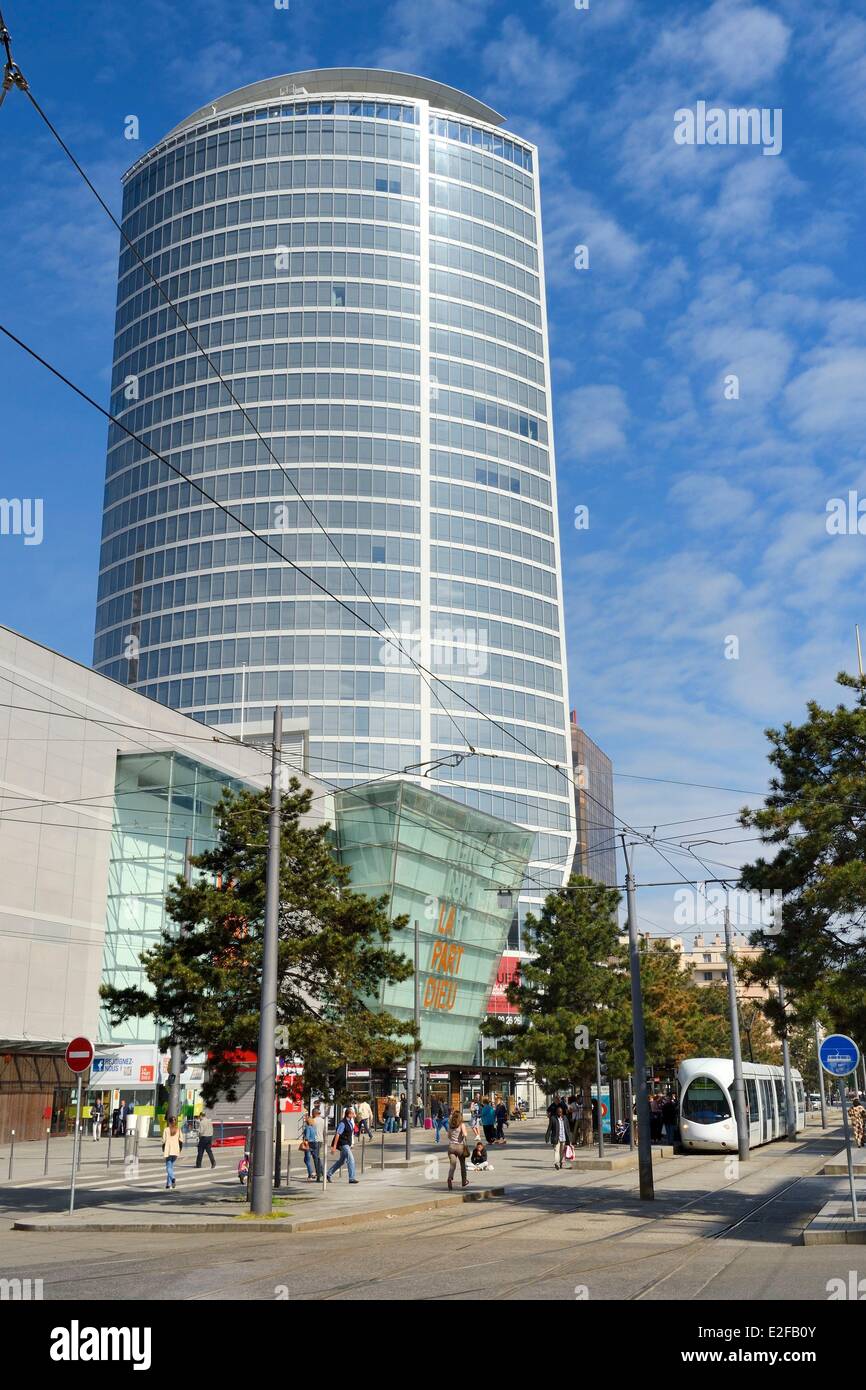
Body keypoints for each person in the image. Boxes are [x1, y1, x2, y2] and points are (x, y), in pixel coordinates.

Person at [327, 1106, 359, 1184]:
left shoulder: (349, 1122)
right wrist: (334, 1146)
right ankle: (351, 1178)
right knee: (351, 1159)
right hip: (343, 1144)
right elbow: (338, 1134)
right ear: (348, 1114)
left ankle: (328, 1174)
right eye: (352, 1113)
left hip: (347, 1143)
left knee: (341, 1161)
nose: (354, 1115)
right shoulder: (343, 1123)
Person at [546, 1103, 575, 1169]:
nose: (559, 1113)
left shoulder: (565, 1118)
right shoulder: (553, 1118)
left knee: (562, 1152)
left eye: (560, 1112)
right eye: (558, 1112)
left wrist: (569, 1139)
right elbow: (549, 1128)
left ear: (562, 1112)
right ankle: (556, 1163)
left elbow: (567, 1129)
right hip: (556, 1138)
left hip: (564, 1138)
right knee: (556, 1150)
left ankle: (561, 1162)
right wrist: (547, 1136)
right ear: (556, 1112)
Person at [446, 1108, 470, 1190]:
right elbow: (465, 1134)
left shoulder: (450, 1125)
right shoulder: (461, 1125)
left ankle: (450, 1177)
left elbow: (448, 1136)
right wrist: (462, 1135)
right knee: (462, 1164)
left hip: (451, 1147)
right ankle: (464, 1181)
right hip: (460, 1147)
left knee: (452, 1164)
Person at [162, 1116, 183, 1190]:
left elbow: (163, 1140)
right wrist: (180, 1149)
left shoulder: (166, 1129)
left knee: (168, 1167)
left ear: (169, 1122)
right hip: (176, 1149)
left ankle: (173, 1178)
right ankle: (168, 1184)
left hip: (168, 1149)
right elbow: (181, 1139)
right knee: (171, 1166)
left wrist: (163, 1148)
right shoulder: (178, 1129)